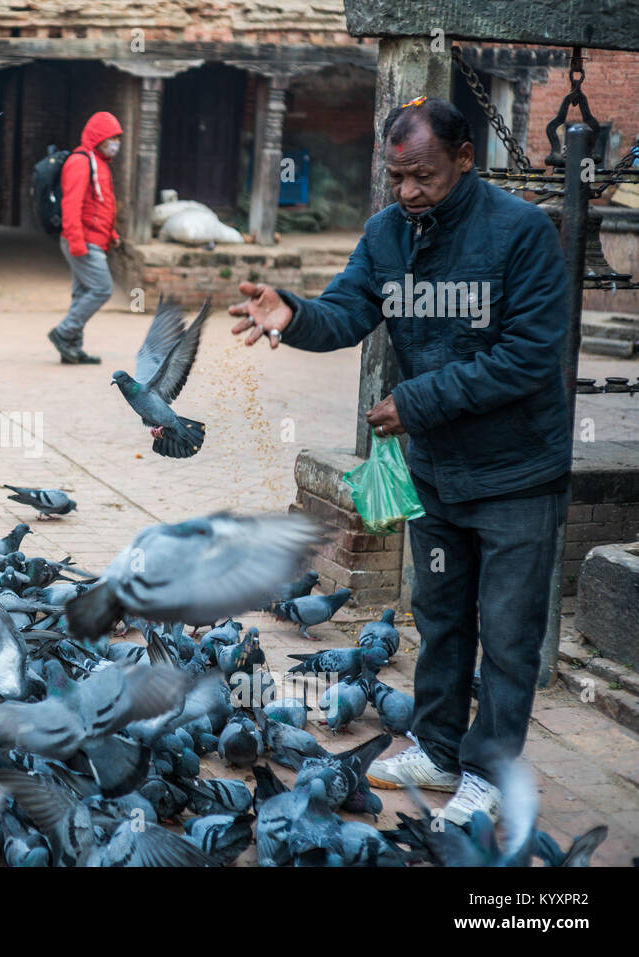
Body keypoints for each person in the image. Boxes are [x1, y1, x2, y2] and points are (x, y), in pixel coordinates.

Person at [228, 97, 571, 827]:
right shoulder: (389, 234)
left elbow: (529, 358)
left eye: (423, 175)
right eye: (396, 177)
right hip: (440, 473)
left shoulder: (522, 233)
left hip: (517, 473)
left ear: (465, 159)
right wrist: (294, 312)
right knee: (441, 616)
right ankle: (440, 747)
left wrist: (416, 401)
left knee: (508, 634)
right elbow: (348, 310)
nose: (408, 192)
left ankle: (487, 771)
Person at [47, 111, 124, 365]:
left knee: (82, 294)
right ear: (99, 138)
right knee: (102, 289)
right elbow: (72, 204)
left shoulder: (100, 163)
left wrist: (111, 234)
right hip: (82, 240)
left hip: (96, 239)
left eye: (117, 138)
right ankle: (63, 333)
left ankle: (72, 348)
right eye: (112, 138)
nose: (116, 143)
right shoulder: (80, 162)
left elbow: (100, 205)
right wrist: (76, 241)